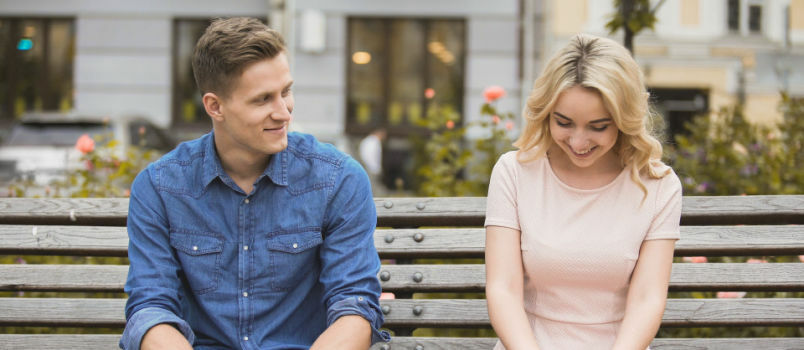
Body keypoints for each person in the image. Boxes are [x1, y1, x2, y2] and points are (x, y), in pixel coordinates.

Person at [120, 17, 389, 350]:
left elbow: (355, 307)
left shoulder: (338, 179)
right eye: (263, 100)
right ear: (214, 106)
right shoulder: (160, 188)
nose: (283, 112)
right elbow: (150, 310)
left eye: (286, 92)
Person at [484, 33, 682, 350]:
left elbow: (647, 299)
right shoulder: (514, 172)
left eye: (598, 126)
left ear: (624, 119)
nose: (578, 143)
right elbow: (503, 289)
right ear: (546, 112)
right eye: (564, 122)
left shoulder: (658, 185)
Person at [358, 128, 387, 195]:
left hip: (370, 168)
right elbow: (369, 156)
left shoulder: (369, 141)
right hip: (371, 169)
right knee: (372, 189)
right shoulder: (373, 142)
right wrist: (374, 168)